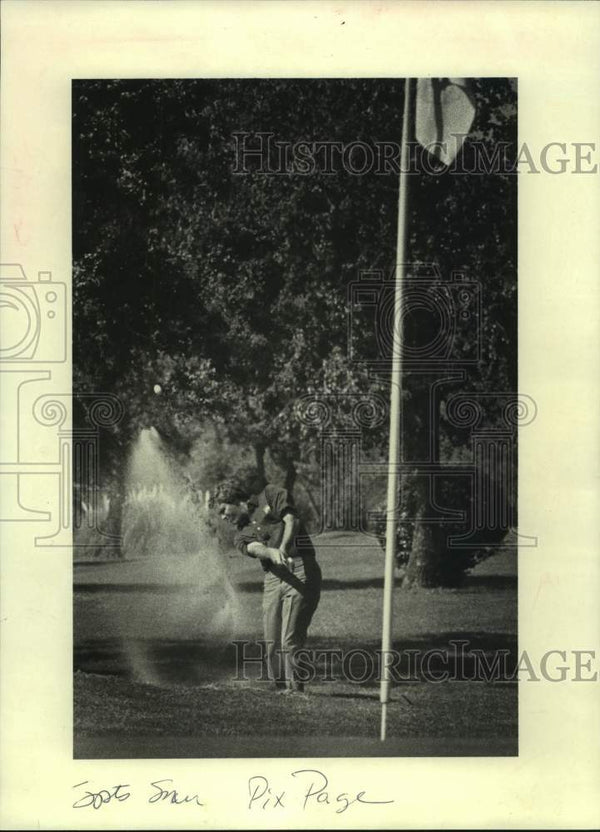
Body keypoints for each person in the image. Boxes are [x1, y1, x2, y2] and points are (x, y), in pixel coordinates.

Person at [214, 477, 321, 693]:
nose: (224, 517)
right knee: (272, 643)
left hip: (301, 568)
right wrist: (271, 553)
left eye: (224, 510)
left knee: (290, 639)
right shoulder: (240, 534)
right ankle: (279, 691)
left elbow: (292, 520)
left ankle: (295, 692)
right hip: (272, 578)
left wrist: (283, 548)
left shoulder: (271, 494)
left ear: (235, 500)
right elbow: (255, 548)